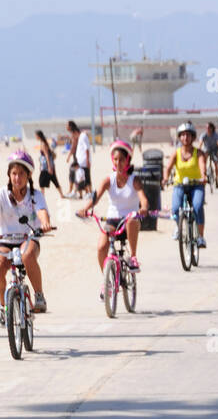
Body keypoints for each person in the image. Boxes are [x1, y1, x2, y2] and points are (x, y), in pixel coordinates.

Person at [0, 149, 52, 324]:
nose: (17, 178)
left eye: (21, 173)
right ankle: (3, 305)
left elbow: (42, 212)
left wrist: (44, 223)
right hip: (5, 242)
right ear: (9, 174)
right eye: (14, 173)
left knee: (27, 255)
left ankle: (39, 296)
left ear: (29, 175)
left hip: (28, 239)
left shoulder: (35, 195)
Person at [78, 140, 148, 296]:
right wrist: (85, 208)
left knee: (131, 220)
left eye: (122, 159)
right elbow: (95, 197)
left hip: (131, 220)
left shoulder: (134, 180)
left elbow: (143, 198)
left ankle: (133, 258)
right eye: (115, 159)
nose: (118, 163)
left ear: (128, 160)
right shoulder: (108, 180)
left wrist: (143, 208)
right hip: (112, 221)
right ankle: (107, 281)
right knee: (101, 247)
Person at [164, 122, 208, 247]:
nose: (185, 138)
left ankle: (200, 236)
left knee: (198, 206)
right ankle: (178, 228)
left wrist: (203, 176)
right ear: (179, 137)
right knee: (175, 207)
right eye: (182, 135)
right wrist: (165, 178)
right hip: (180, 185)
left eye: (188, 135)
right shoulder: (176, 153)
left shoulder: (198, 153)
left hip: (196, 185)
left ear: (193, 137)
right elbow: (168, 168)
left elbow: (202, 166)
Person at [35, 129, 63, 195]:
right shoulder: (43, 142)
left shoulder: (43, 144)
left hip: (46, 166)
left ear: (38, 136)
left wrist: (49, 167)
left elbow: (47, 155)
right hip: (47, 165)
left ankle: (42, 196)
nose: (35, 137)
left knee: (41, 182)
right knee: (54, 180)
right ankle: (61, 194)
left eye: (36, 136)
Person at [200, 121, 218, 187]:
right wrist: (198, 150)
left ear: (212, 128)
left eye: (209, 127)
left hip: (214, 150)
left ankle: (216, 179)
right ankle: (204, 175)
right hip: (207, 149)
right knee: (203, 160)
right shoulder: (204, 135)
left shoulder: (215, 135)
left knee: (215, 164)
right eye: (206, 128)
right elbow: (200, 143)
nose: (207, 129)